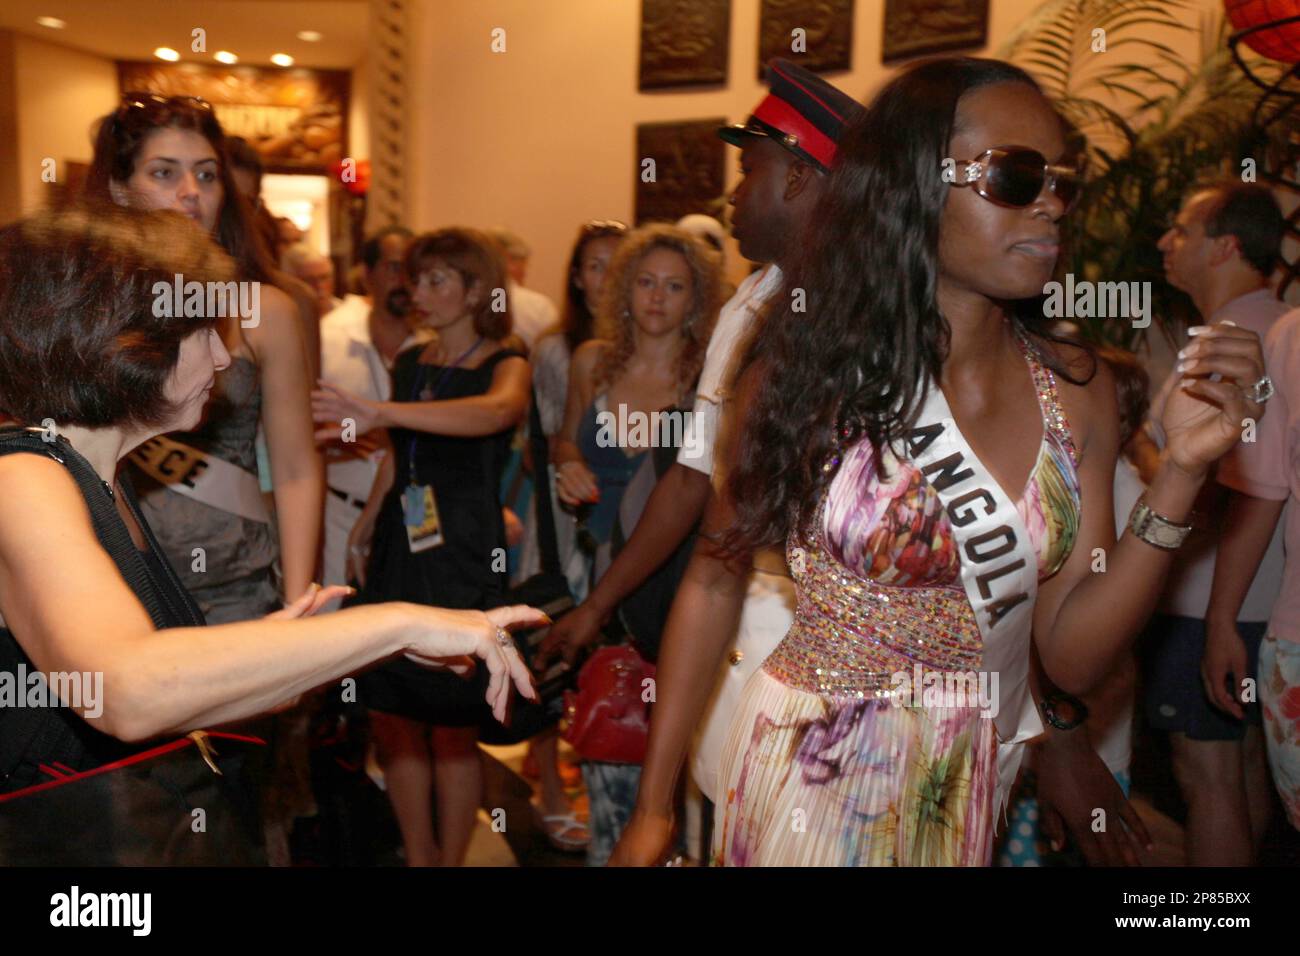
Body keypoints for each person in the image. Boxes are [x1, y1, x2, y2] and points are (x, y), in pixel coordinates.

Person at [612, 56, 1268, 867]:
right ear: (915, 186)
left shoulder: (1081, 393)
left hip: (970, 779)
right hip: (807, 771)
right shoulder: (802, 369)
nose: (1052, 204)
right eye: (1016, 177)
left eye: (1064, 182)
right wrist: (651, 809)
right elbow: (714, 576)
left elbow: (1071, 655)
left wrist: (1182, 475)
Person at [0, 203, 540, 864]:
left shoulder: (100, 474)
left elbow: (175, 693)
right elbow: (127, 692)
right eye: (203, 333)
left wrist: (313, 644)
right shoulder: (24, 478)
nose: (226, 355)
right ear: (123, 345)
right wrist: (399, 623)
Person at [544, 61, 864, 866]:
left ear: (799, 179)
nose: (730, 192)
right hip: (741, 643)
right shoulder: (751, 307)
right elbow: (695, 482)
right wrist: (599, 605)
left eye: (747, 168)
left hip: (863, 700)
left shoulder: (883, 315)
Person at [311, 228, 532, 866]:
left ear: (475, 290)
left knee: (454, 726)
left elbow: (494, 414)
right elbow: (397, 456)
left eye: (439, 280)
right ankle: (420, 854)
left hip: (464, 548)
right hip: (403, 541)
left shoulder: (505, 358)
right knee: (393, 712)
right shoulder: (413, 361)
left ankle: (451, 860)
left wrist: (384, 414)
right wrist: (367, 520)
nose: (420, 291)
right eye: (418, 277)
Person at [87, 92, 324, 624]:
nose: (191, 192)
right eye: (165, 173)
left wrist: (299, 601)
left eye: (207, 175)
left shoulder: (266, 310)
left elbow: (295, 467)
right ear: (119, 190)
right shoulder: (81, 310)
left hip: (237, 585)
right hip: (109, 583)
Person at [547, 223, 722, 865]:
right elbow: (565, 438)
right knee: (606, 727)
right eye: (646, 282)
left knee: (674, 739)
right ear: (624, 289)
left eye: (675, 287)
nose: (657, 298)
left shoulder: (708, 373)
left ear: (696, 300)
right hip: (593, 563)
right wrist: (566, 464)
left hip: (674, 576)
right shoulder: (593, 359)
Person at [1135, 180, 1289, 864]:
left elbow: (1242, 485)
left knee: (1208, 780)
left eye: (1183, 231)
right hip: (1268, 603)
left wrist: (1131, 446)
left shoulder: (1232, 345)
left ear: (1226, 246)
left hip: (1209, 600)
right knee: (1245, 772)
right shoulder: (1277, 324)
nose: (1166, 243)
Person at [317, 225, 423, 613]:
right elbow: (286, 428)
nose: (406, 283)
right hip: (339, 513)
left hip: (413, 517)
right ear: (367, 274)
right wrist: (327, 440)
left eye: (415, 271)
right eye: (395, 268)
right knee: (331, 635)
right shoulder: (326, 337)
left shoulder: (436, 346)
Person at [226, 135, 322, 378]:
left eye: (245, 205)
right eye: (226, 202)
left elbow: (307, 405)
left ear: (257, 207)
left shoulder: (293, 299)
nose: (231, 218)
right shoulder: (162, 292)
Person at [488, 227, 558, 350]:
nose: (525, 272)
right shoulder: (539, 306)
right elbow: (554, 351)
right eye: (523, 263)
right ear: (508, 260)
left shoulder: (468, 300)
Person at [284, 242, 341, 319]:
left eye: (324, 277)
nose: (320, 286)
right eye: (309, 280)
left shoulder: (350, 314)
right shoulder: (286, 319)